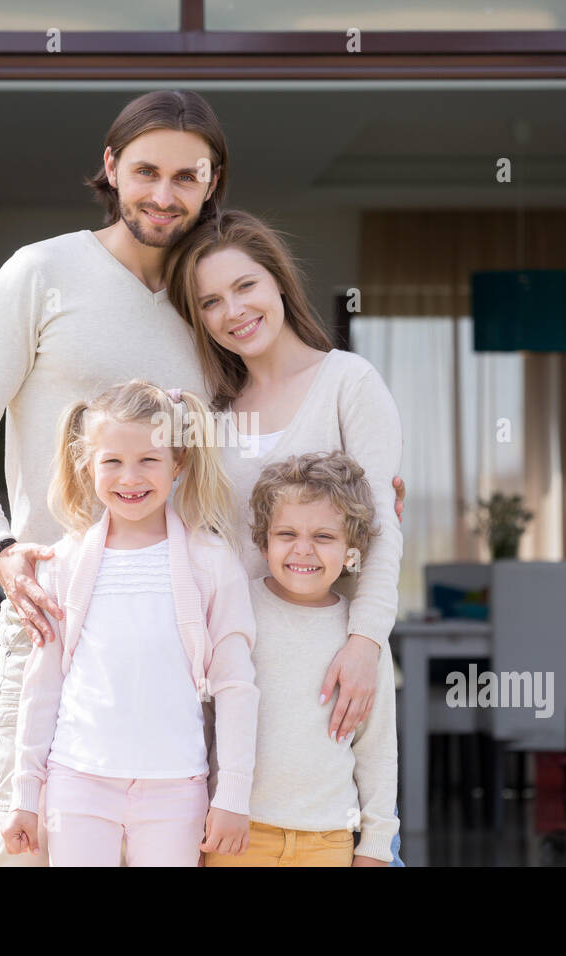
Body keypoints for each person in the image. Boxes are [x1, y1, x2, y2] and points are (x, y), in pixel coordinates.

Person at [0, 90, 404, 867]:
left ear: (213, 183)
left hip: (186, 675)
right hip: (59, 638)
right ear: (111, 168)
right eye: (146, 171)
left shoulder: (208, 307)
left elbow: (254, 465)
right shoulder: (39, 273)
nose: (163, 194)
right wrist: (3, 548)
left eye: (188, 176)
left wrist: (365, 560)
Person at [166, 209, 407, 864]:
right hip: (242, 666)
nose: (232, 311)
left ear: (277, 280)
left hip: (332, 654)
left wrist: (363, 643)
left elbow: (382, 528)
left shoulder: (347, 382)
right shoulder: (214, 413)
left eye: (245, 286)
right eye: (210, 302)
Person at [0, 381, 259, 866]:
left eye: (149, 460)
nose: (130, 477)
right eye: (112, 461)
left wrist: (233, 796)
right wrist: (24, 796)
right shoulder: (66, 561)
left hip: (175, 787)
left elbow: (236, 685)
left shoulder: (211, 561)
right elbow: (43, 687)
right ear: (87, 465)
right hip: (77, 782)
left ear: (178, 464)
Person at [204, 452, 397, 867]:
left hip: (328, 839)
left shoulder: (360, 639)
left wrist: (376, 845)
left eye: (324, 537)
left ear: (352, 550)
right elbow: (203, 718)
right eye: (287, 533)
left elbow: (377, 748)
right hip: (238, 832)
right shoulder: (235, 608)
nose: (303, 550)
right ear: (263, 541)